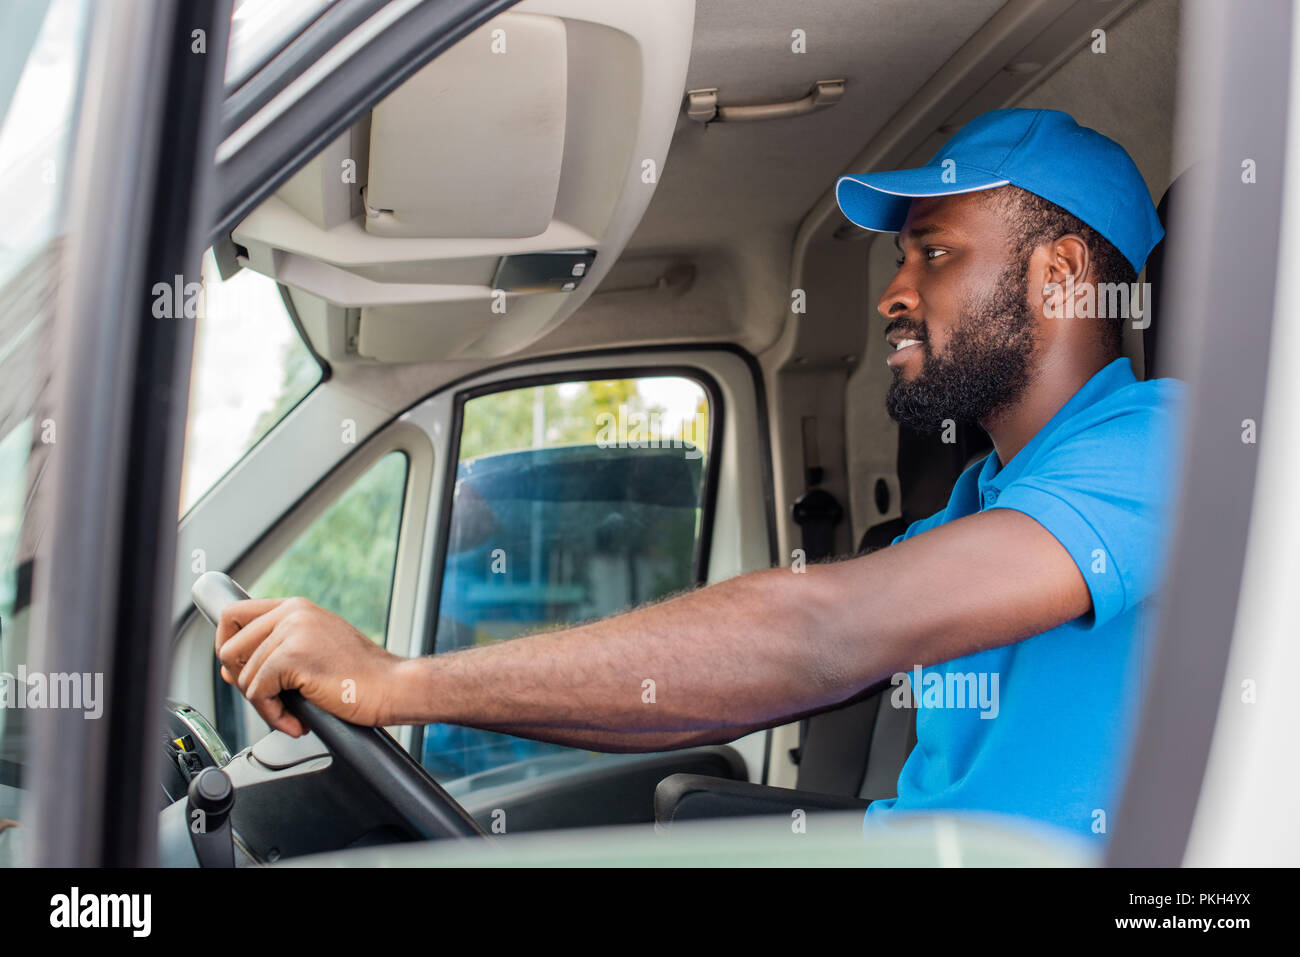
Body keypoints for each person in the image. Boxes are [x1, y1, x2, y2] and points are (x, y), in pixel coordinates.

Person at [214, 108, 1185, 839]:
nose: (893, 289)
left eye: (933, 253)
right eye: (900, 257)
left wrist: (397, 683)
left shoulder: (1161, 450)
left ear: (1060, 275)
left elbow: (819, 631)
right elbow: (733, 685)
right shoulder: (983, 507)